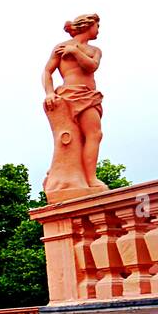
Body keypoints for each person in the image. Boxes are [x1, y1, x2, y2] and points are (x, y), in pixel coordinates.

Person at [42, 14, 105, 192]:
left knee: (91, 136)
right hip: (70, 95)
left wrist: (76, 52)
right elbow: (47, 71)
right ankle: (89, 179)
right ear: (88, 26)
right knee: (90, 135)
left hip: (88, 96)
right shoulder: (60, 48)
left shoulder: (95, 50)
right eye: (97, 26)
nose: (98, 30)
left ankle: (87, 177)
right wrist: (49, 93)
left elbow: (92, 66)